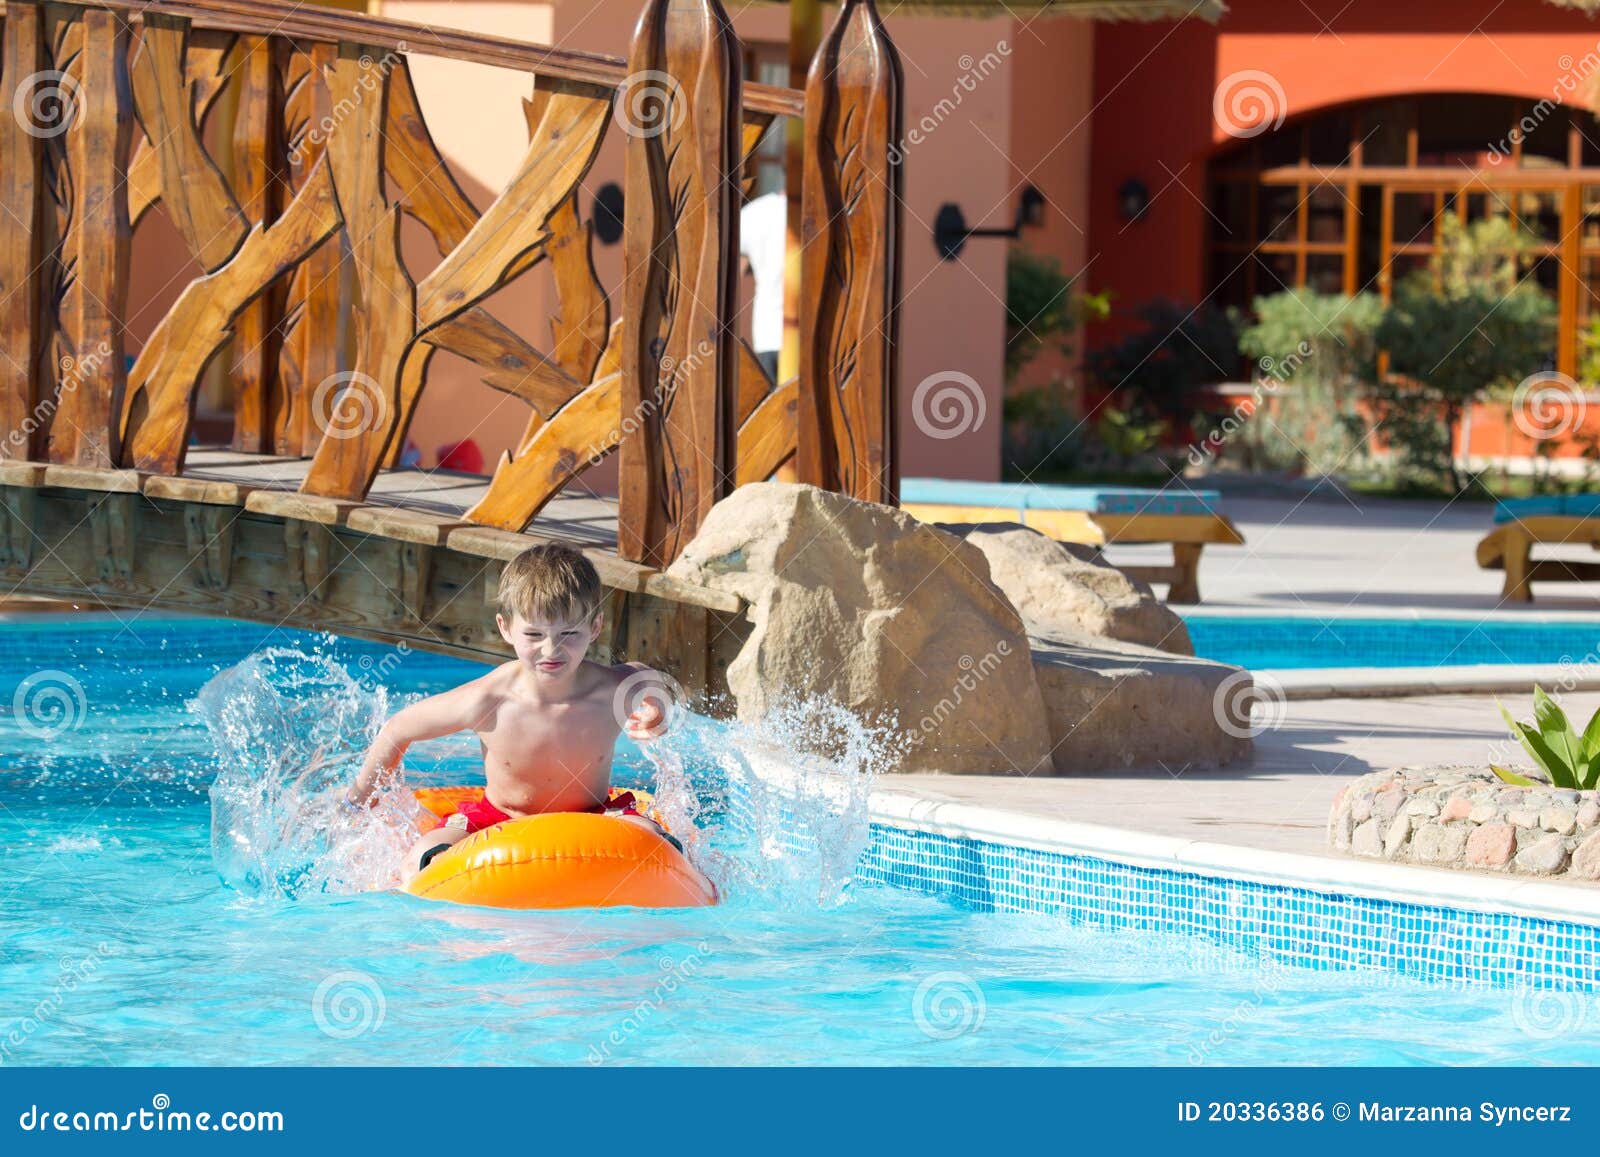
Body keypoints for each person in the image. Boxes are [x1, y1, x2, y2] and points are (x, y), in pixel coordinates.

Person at [340, 543, 675, 877]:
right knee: (421, 861)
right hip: (496, 820)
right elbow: (398, 728)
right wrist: (358, 801)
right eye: (533, 634)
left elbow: (657, 682)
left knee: (659, 847)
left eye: (569, 633)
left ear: (596, 626)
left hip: (597, 815)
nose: (551, 649)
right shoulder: (489, 699)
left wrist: (657, 710)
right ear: (505, 627)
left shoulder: (613, 689)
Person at [739, 190, 785, 382]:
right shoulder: (818, 209)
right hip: (809, 334)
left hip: (766, 332)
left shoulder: (755, 213)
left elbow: (738, 267)